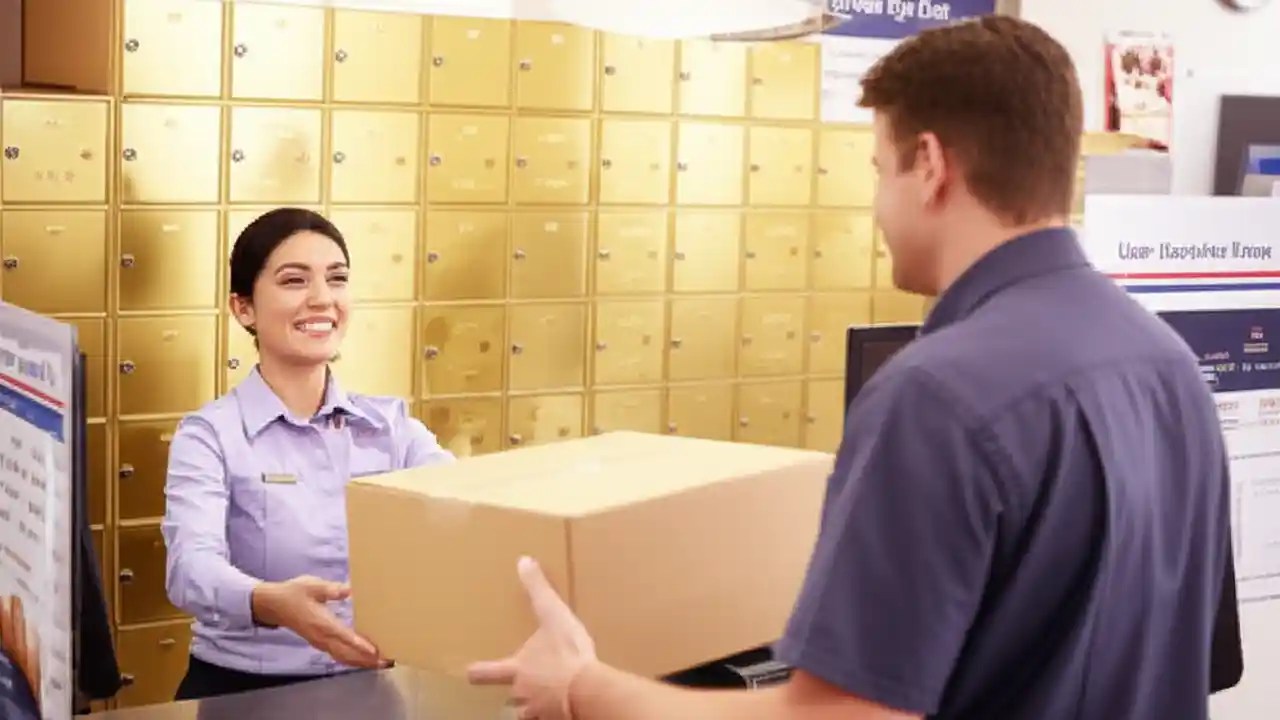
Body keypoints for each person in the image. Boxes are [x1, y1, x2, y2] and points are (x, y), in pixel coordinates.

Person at [466, 16, 1241, 720]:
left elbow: (843, 718)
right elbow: (1196, 659)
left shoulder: (937, 394)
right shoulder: (1165, 364)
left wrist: (580, 684)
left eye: (880, 169)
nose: (875, 205)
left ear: (930, 164)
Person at [163, 208, 454, 701]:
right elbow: (190, 569)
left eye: (336, 278)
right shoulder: (209, 436)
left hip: (373, 688)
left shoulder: (392, 429)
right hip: (243, 693)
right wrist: (269, 602)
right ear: (244, 308)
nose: (322, 298)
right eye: (294, 280)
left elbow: (471, 507)